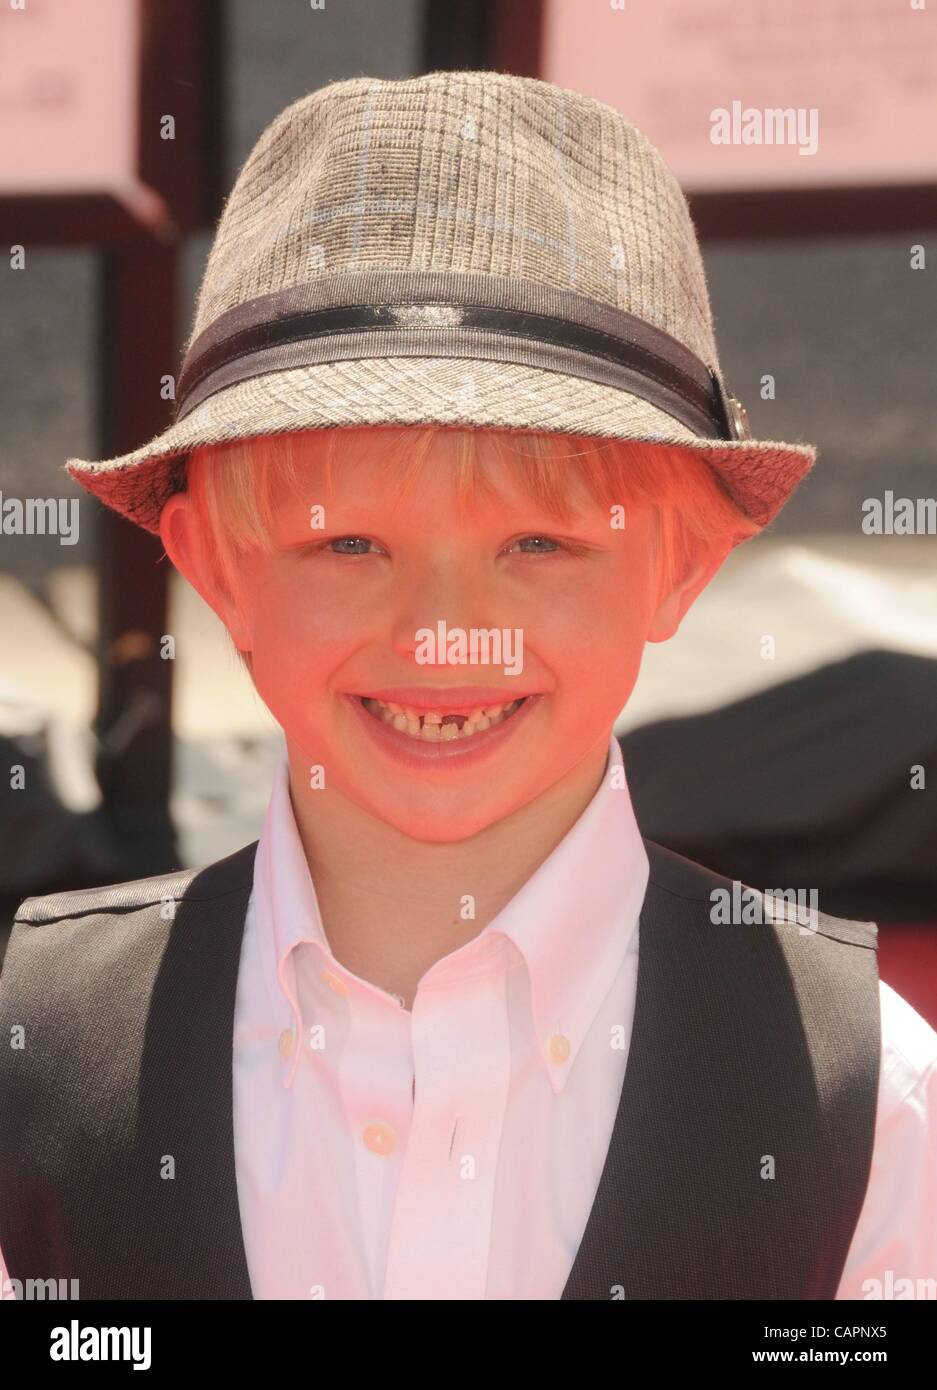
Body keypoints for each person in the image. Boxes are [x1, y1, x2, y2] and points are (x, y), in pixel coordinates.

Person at [2, 71, 934, 1301]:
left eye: (538, 545)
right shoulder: (33, 1060)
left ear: (682, 566)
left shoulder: (871, 1100)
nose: (444, 633)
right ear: (215, 568)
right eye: (348, 545)